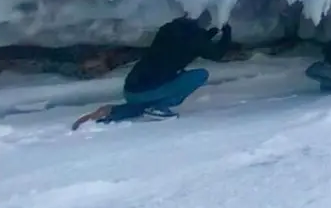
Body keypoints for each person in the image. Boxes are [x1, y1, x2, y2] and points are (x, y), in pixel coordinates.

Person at [72, 14, 234, 129]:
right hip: (149, 89)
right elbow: (216, 53)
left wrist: (212, 32)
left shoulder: (168, 29)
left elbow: (194, 41)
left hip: (131, 88)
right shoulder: (196, 39)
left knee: (144, 103)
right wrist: (227, 31)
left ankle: (109, 112)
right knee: (200, 75)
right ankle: (159, 108)